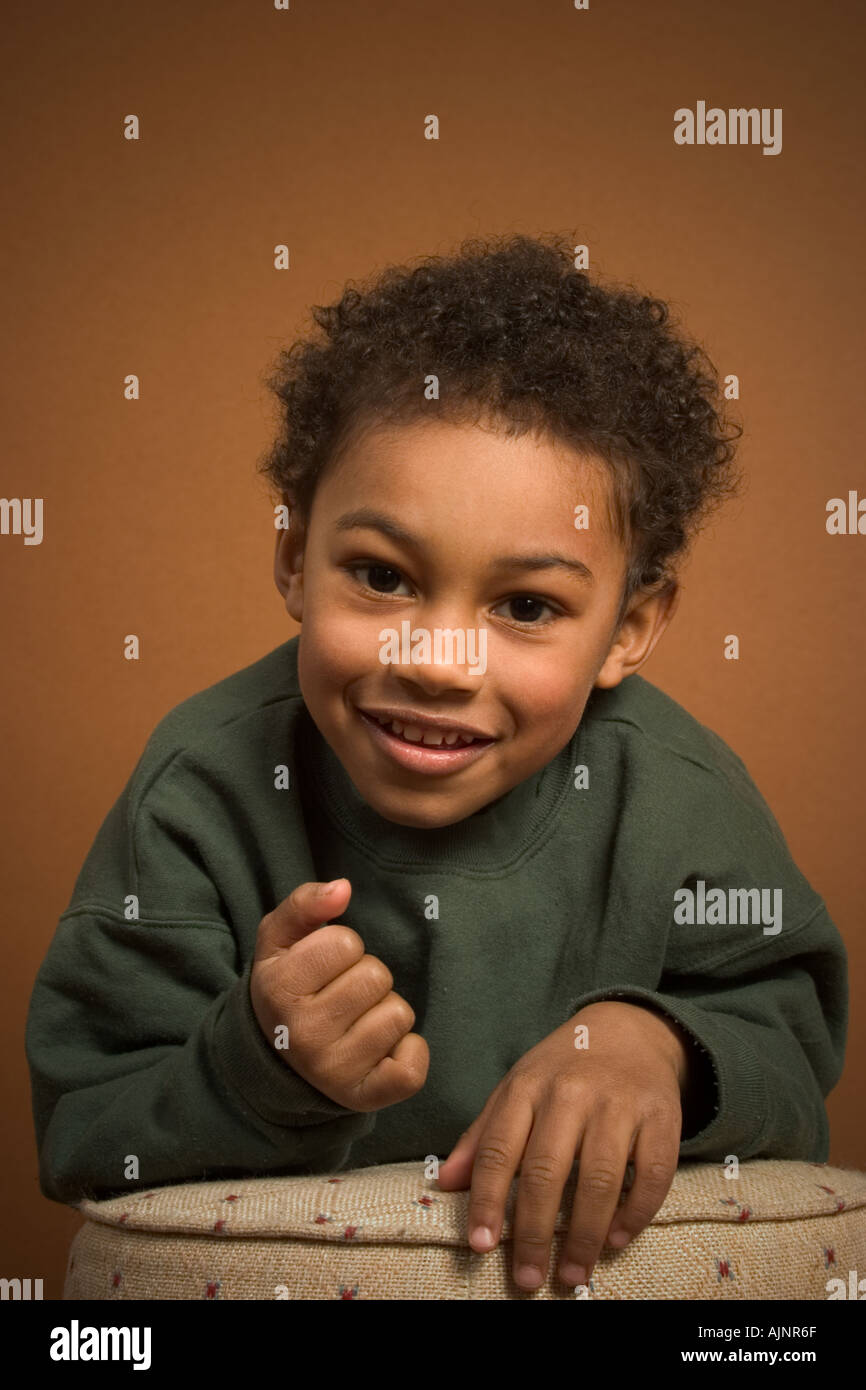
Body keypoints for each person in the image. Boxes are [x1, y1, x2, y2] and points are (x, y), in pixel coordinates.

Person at [25, 233, 848, 1293]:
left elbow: (789, 1047)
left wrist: (654, 1043)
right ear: (291, 557)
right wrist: (259, 1061)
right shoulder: (203, 791)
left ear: (629, 626)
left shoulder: (679, 798)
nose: (438, 660)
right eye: (380, 575)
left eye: (525, 606)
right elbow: (86, 1133)